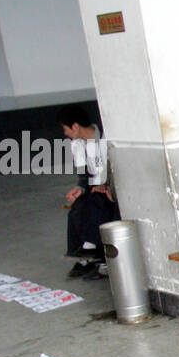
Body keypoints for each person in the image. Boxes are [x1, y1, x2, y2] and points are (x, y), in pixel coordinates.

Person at [58, 104, 118, 281]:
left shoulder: (106, 137)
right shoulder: (77, 144)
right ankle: (84, 254)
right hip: (96, 187)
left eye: (65, 128)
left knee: (96, 203)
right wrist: (80, 188)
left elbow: (115, 167)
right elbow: (85, 175)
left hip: (112, 187)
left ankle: (95, 254)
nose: (65, 133)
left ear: (75, 126)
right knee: (77, 207)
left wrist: (108, 185)